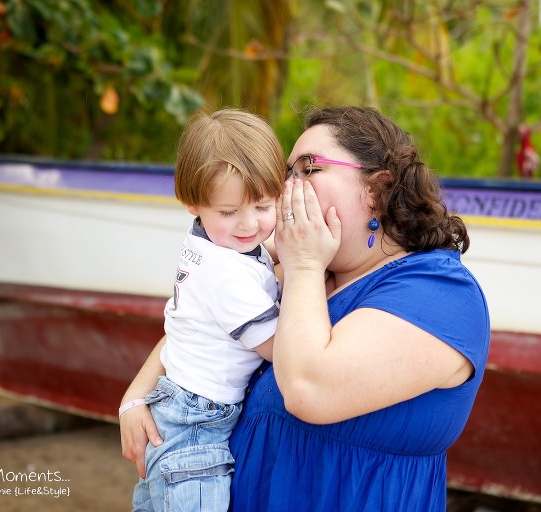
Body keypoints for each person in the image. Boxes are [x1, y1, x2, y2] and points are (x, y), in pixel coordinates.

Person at [121, 106, 490, 511]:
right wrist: (137, 395)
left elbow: (308, 389)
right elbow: (202, 317)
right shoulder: (299, 267)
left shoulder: (440, 293)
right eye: (287, 173)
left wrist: (305, 266)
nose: (285, 187)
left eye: (308, 168)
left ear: (376, 187)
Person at [123, 108, 286, 512]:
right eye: (229, 212)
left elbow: (259, 253)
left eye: (263, 206)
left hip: (176, 406)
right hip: (197, 428)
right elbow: (280, 348)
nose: (248, 225)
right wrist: (310, 270)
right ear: (192, 203)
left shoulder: (212, 240)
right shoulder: (226, 275)